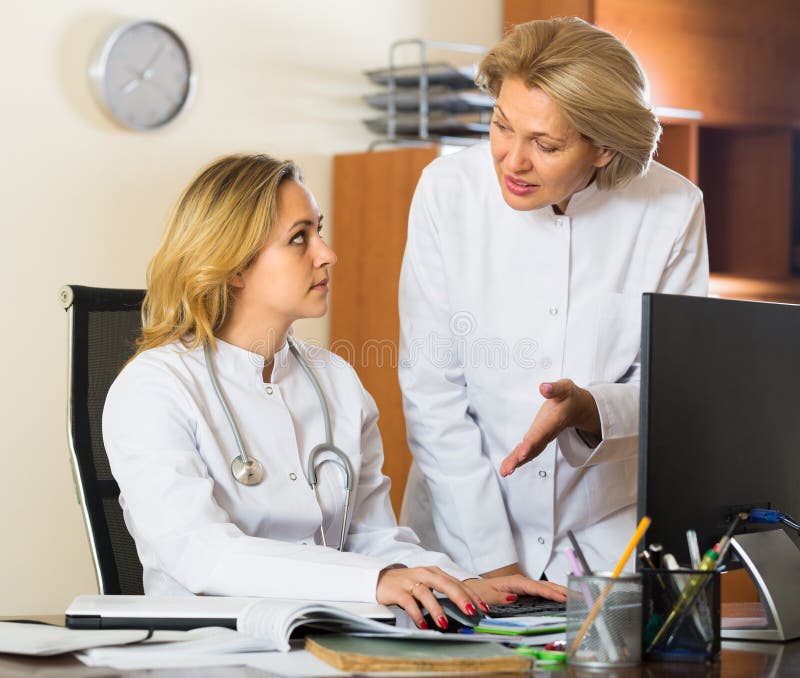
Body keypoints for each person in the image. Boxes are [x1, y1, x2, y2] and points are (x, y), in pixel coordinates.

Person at [102, 153, 566, 631]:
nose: (327, 254)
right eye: (299, 238)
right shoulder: (154, 388)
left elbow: (373, 536)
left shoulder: (335, 380)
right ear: (234, 265)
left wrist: (460, 582)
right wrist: (376, 580)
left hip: (332, 633)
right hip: (208, 647)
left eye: (318, 231)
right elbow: (202, 554)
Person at [398, 17, 709, 584]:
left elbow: (678, 389)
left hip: (602, 541)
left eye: (546, 144)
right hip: (460, 541)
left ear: (604, 149)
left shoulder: (671, 208)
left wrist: (592, 409)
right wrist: (491, 561)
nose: (512, 160)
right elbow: (432, 393)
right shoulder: (448, 192)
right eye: (501, 126)